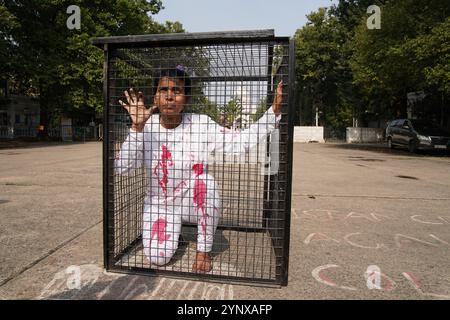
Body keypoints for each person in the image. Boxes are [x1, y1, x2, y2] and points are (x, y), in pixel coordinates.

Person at [115, 65, 283, 273]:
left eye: (176, 91)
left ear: (186, 98)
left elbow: (240, 142)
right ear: (155, 97)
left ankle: (203, 250)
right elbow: (122, 168)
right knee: (158, 258)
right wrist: (137, 128)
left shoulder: (201, 124)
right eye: (163, 90)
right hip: (159, 203)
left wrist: (273, 112)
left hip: (190, 201)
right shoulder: (146, 127)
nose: (169, 97)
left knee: (206, 183)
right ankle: (175, 235)